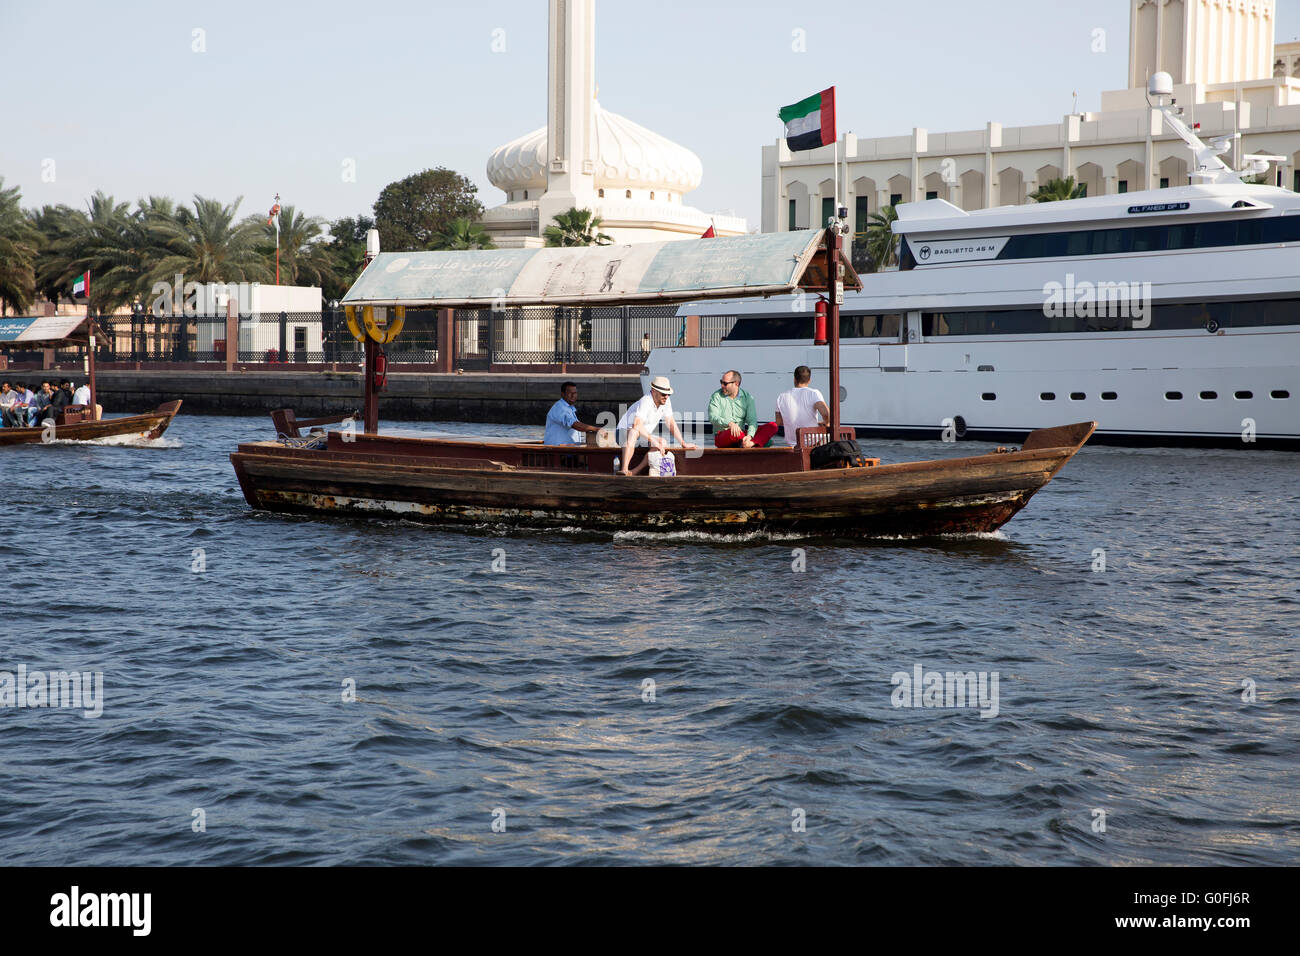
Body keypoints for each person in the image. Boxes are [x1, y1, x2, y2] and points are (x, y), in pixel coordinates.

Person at [616, 375, 695, 476]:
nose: (666, 397)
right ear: (653, 391)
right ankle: (624, 469)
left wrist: (683, 443)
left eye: (668, 394)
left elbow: (670, 422)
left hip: (641, 435)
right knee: (633, 431)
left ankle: (634, 471)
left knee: (662, 442)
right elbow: (636, 424)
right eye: (663, 394)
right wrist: (653, 441)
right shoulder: (646, 401)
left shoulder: (665, 401)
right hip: (622, 433)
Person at [708, 370, 779, 448]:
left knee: (773, 426)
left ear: (736, 383)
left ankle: (749, 443)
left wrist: (749, 436)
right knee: (735, 434)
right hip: (723, 435)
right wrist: (730, 423)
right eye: (721, 382)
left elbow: (752, 421)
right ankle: (757, 442)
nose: (722, 385)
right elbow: (712, 417)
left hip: (742, 435)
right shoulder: (716, 396)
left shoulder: (748, 398)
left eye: (725, 383)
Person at [775, 365, 831, 447]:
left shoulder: (781, 397)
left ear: (794, 379)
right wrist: (826, 423)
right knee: (830, 436)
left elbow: (779, 422)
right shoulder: (814, 393)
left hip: (792, 443)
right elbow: (826, 414)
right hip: (813, 443)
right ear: (809, 380)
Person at [544, 381, 601, 445]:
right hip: (556, 449)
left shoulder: (569, 408)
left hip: (568, 448)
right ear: (562, 394)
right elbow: (575, 425)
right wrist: (596, 429)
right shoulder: (560, 408)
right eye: (570, 393)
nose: (573, 395)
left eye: (575, 393)